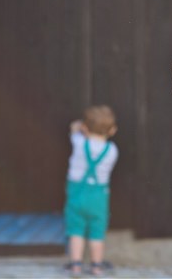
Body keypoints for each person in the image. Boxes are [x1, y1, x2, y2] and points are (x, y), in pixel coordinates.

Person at [64, 105, 119, 277]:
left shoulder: (79, 143)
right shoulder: (112, 151)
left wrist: (79, 127)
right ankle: (96, 266)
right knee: (97, 232)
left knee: (76, 230)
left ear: (85, 128)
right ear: (112, 130)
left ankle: (76, 266)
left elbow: (74, 129)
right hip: (98, 198)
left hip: (77, 194)